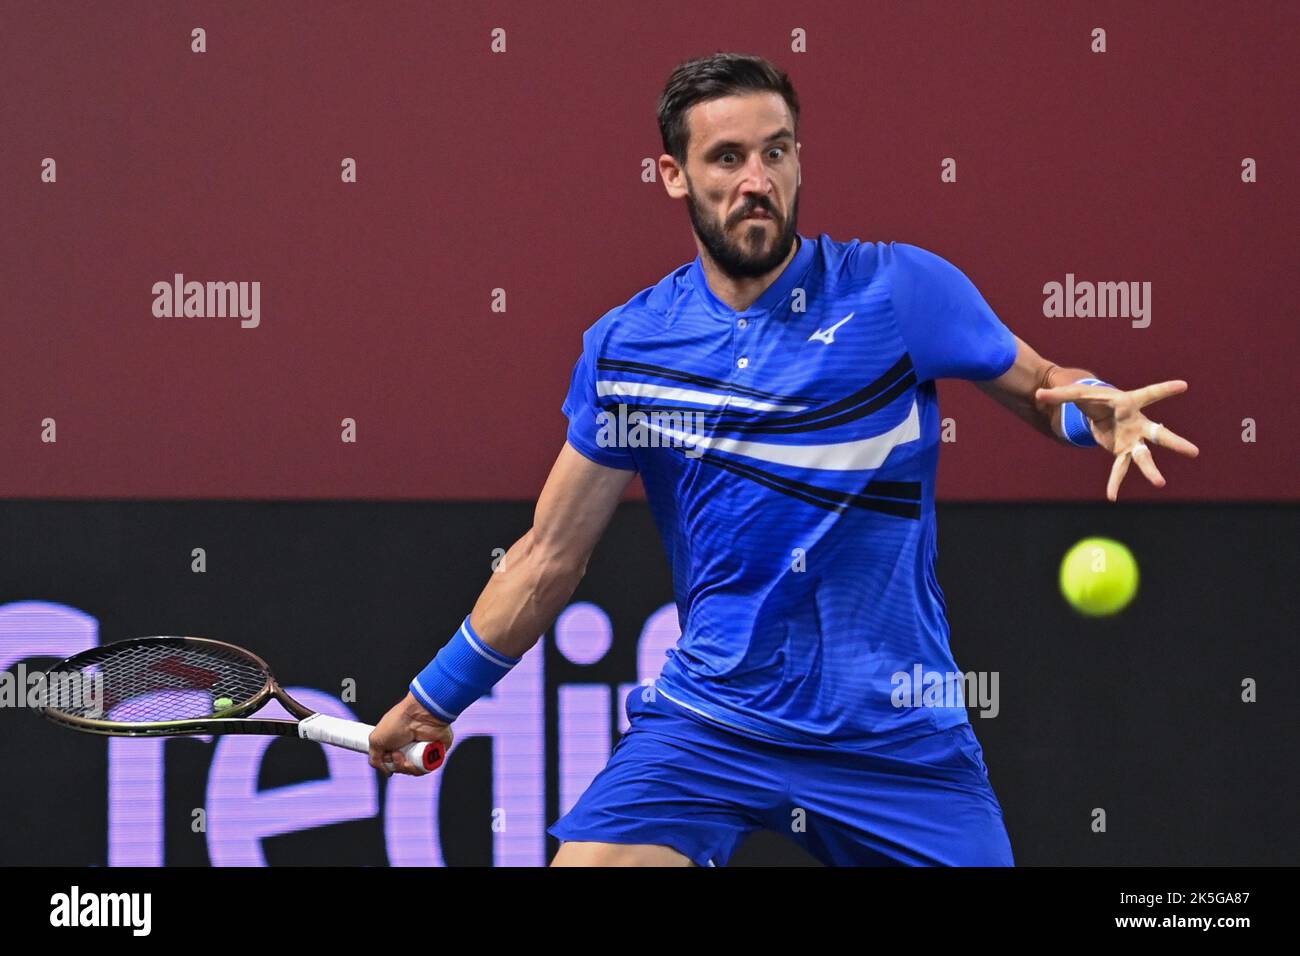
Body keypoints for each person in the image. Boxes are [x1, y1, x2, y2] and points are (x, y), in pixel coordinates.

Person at [367, 52, 1198, 866]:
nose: (756, 179)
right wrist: (436, 697)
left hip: (897, 737)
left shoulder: (898, 290)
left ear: (799, 159)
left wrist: (1098, 415)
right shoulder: (630, 350)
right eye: (726, 158)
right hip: (713, 723)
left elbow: (1045, 387)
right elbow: (549, 557)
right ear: (674, 176)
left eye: (776, 151)